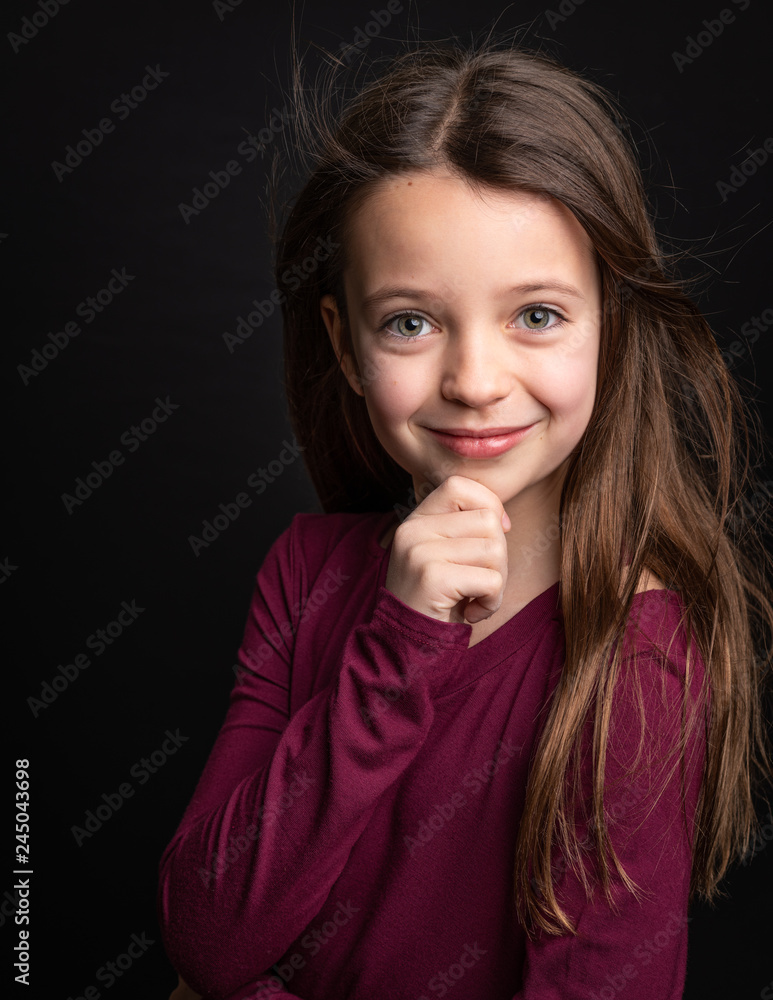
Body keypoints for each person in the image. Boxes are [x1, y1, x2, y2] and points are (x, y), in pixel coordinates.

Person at [157, 32, 773, 1000]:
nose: (475, 382)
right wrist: (397, 644)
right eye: (411, 321)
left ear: (608, 321)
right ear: (347, 343)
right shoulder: (305, 570)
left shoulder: (633, 658)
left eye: (535, 314)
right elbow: (206, 929)